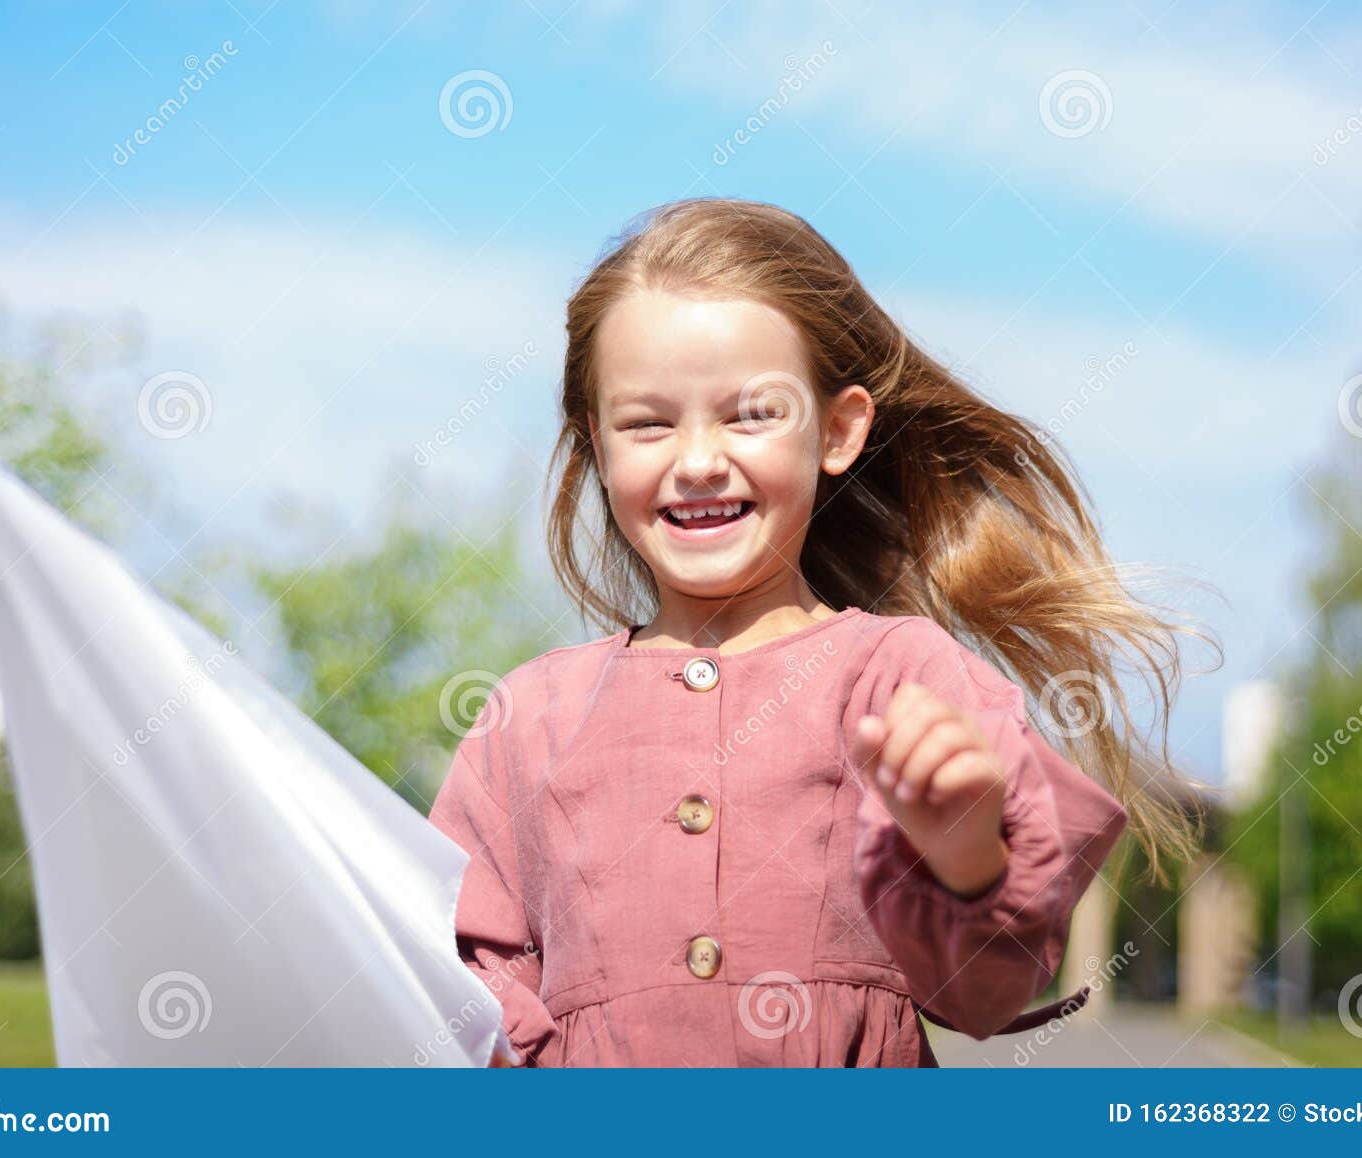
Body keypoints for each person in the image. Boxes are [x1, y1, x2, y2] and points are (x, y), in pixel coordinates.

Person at [429, 197, 1217, 1067]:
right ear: (596, 447)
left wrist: (966, 859)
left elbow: (988, 992)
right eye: (648, 422)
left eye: (751, 414)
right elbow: (463, 978)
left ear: (838, 431)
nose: (697, 461)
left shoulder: (904, 677)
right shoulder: (529, 715)